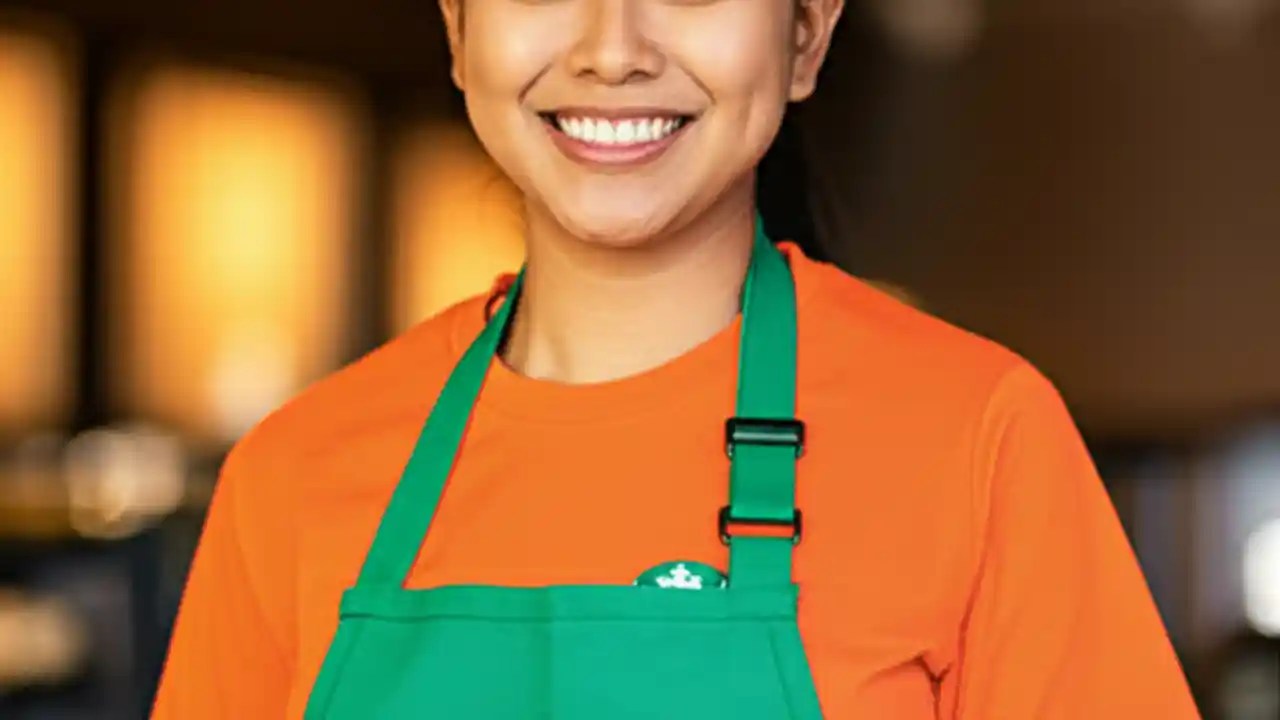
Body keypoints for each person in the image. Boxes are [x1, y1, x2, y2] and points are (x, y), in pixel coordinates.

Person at [152, 0, 1202, 717]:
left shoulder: (975, 435)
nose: (613, 49)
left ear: (805, 35)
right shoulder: (292, 476)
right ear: (457, 31)